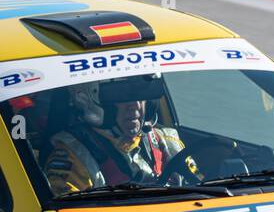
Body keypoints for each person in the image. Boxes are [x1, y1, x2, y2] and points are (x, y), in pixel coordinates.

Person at [44, 82, 188, 194]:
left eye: (142, 92)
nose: (135, 105)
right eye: (121, 94)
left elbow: (197, 186)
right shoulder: (73, 155)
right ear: (88, 99)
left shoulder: (168, 142)